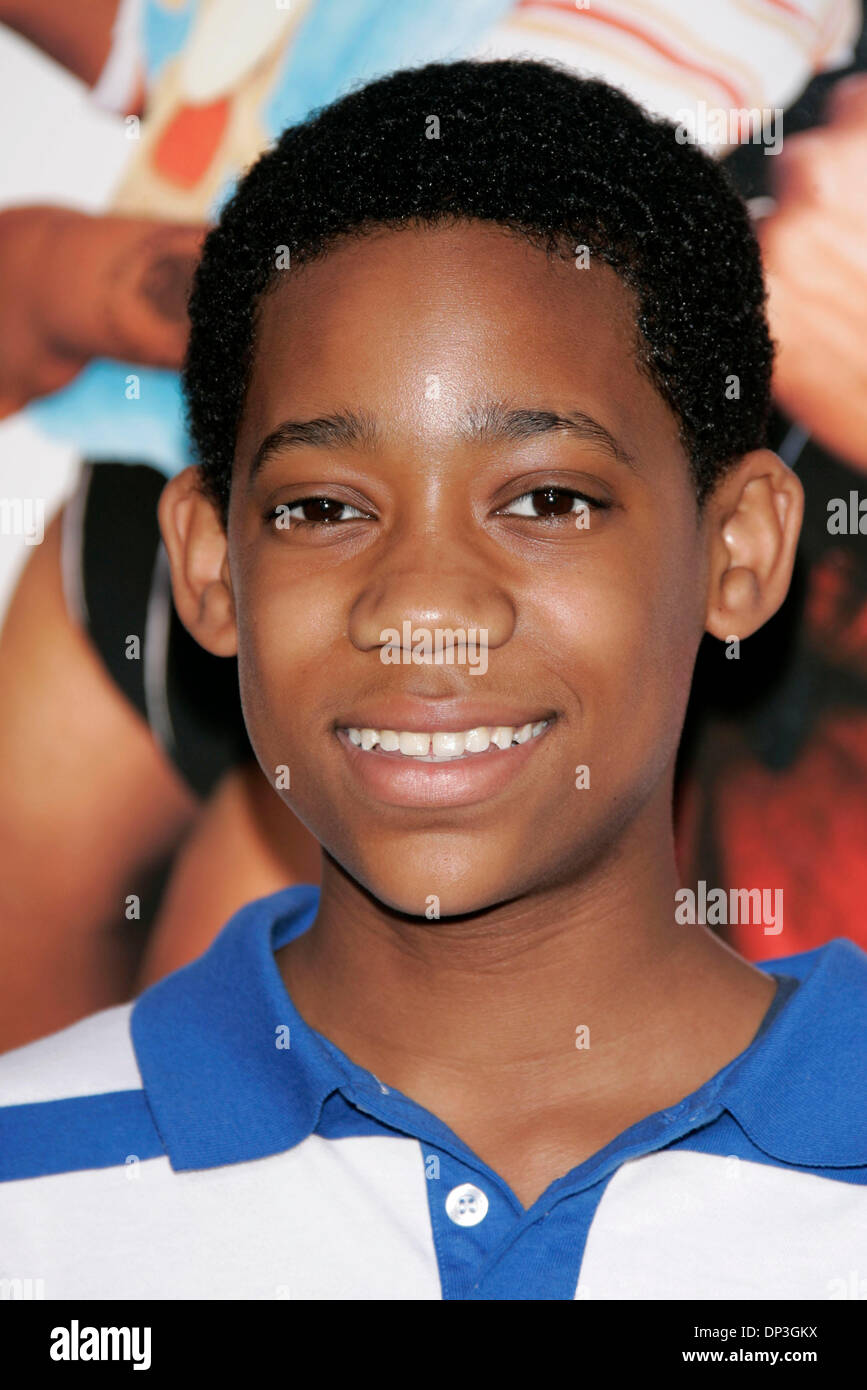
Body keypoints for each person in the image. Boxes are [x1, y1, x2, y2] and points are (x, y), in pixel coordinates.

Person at [2, 59, 865, 1300]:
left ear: (738, 554)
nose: (423, 606)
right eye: (320, 507)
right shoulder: (28, 1197)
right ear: (209, 567)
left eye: (550, 499)